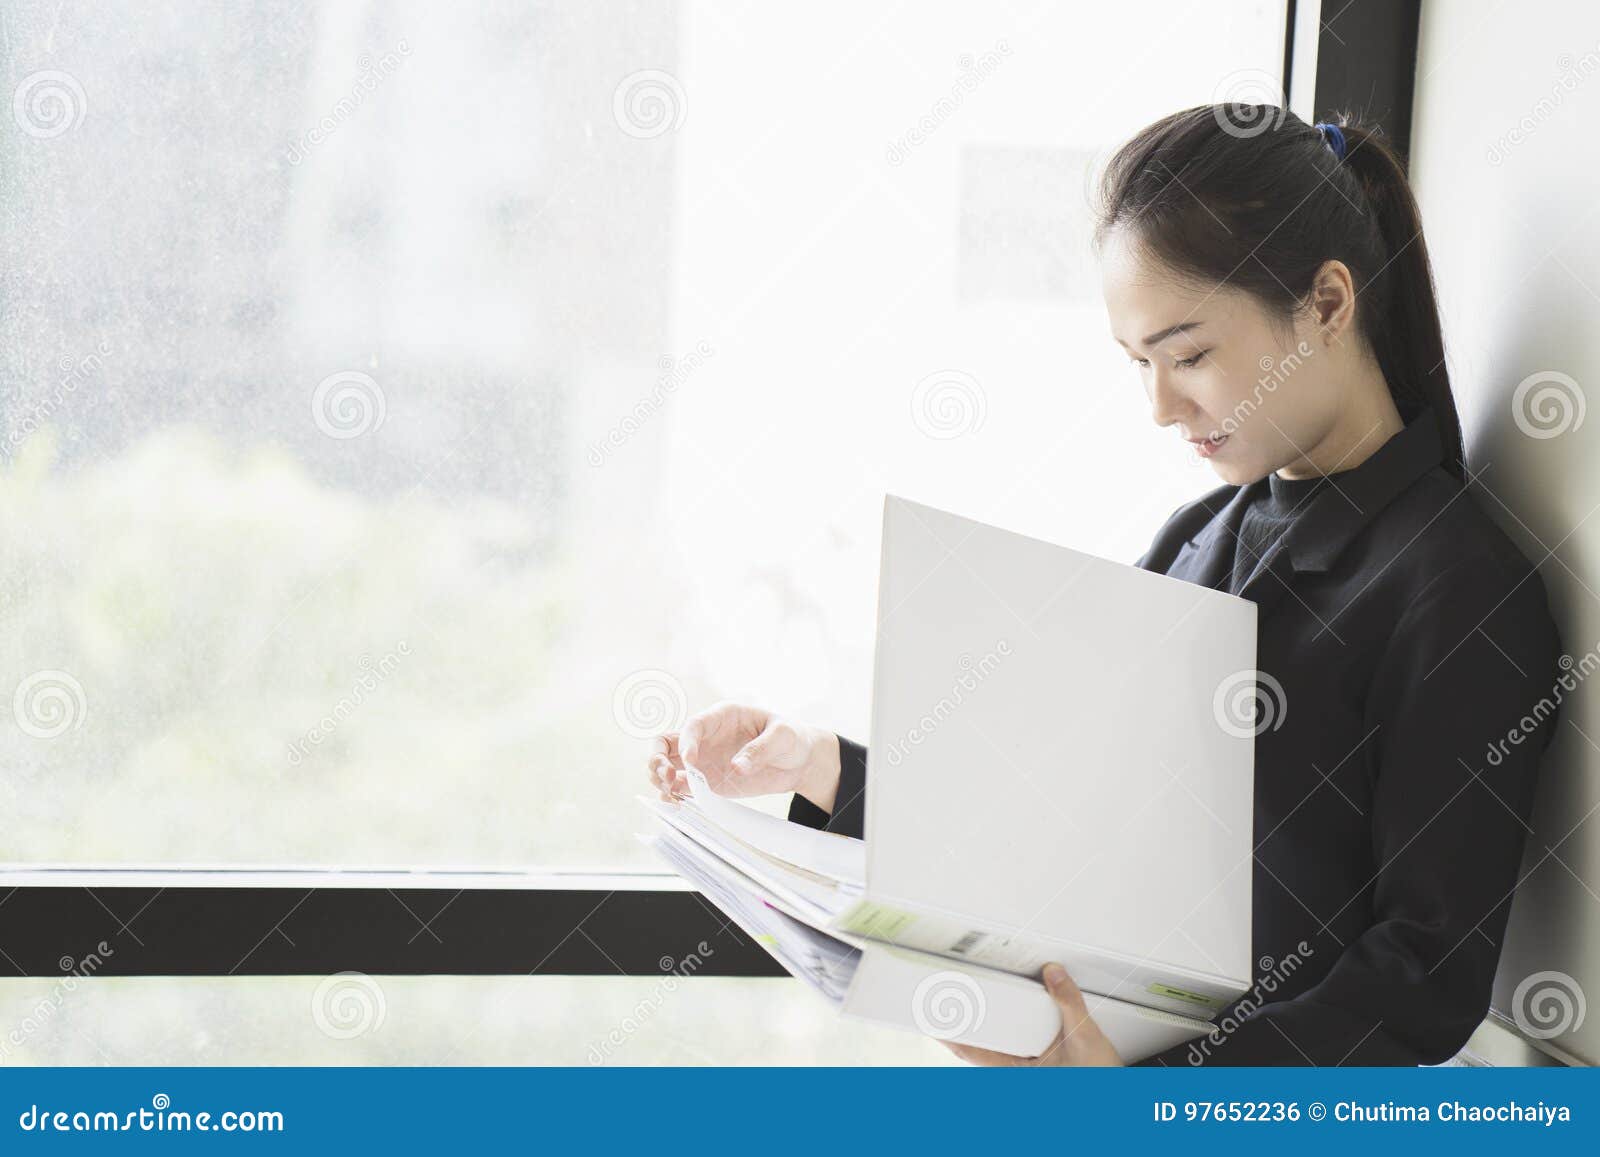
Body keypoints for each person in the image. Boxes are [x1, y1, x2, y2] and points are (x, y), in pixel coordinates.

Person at [646, 106, 1565, 1067]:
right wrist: (820, 768)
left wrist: (1141, 1101)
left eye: (1190, 355)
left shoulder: (1460, 589)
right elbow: (1053, 813)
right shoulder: (1199, 537)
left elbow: (1420, 980)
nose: (1161, 406)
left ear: (1329, 304)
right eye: (1140, 364)